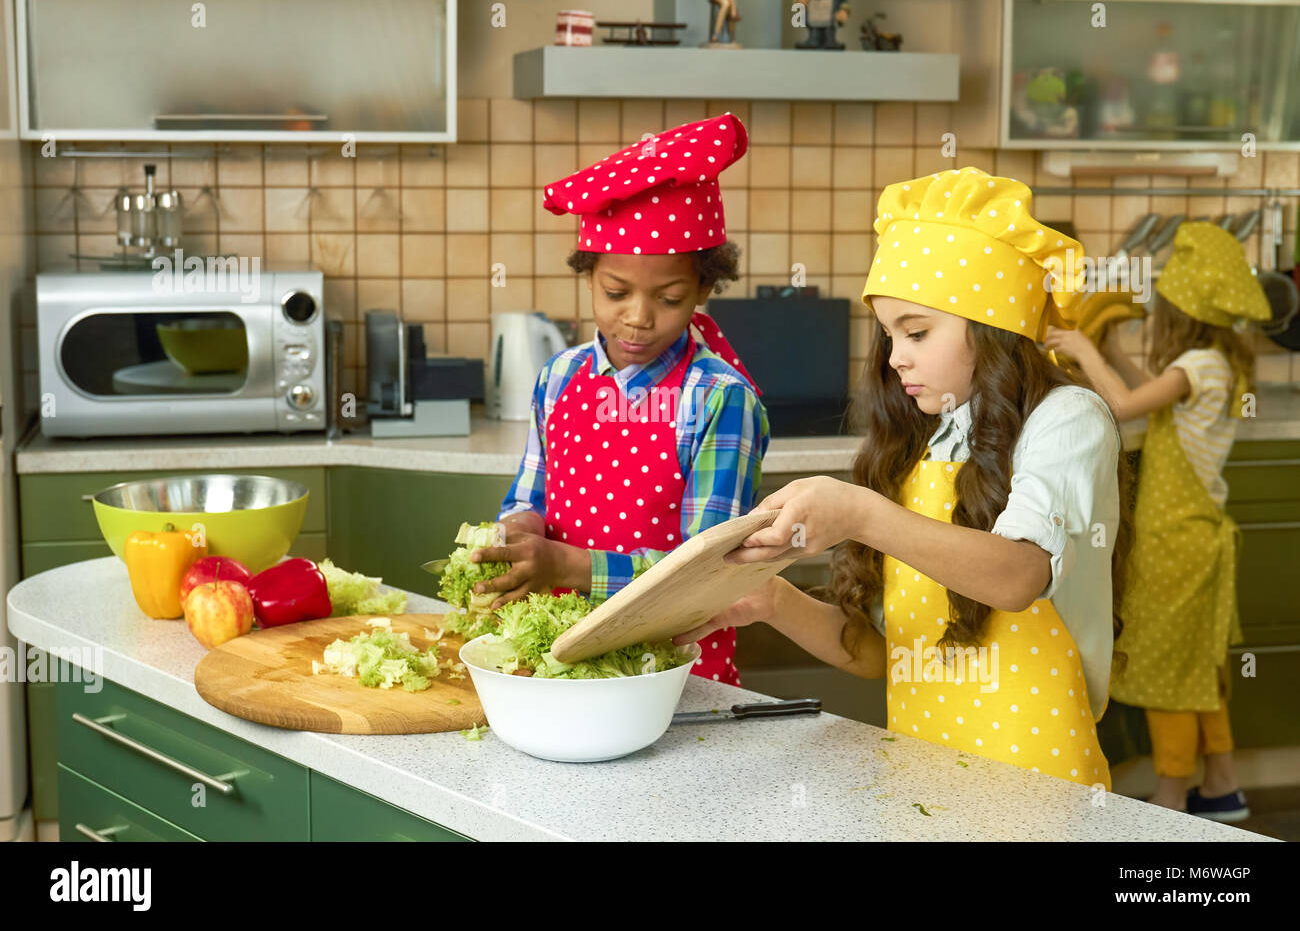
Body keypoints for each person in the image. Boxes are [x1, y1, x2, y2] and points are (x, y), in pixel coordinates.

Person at [679, 167, 1130, 787]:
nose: (896, 357)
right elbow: (877, 654)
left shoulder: (1066, 420)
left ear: (992, 327)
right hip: (923, 780)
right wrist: (773, 600)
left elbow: (1017, 576)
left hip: (1037, 782)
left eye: (916, 331)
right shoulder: (923, 442)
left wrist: (860, 512)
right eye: (889, 334)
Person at [472, 113, 770, 687]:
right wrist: (514, 535)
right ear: (589, 276)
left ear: (704, 289)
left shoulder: (718, 400)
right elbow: (530, 497)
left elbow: (705, 576)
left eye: (669, 297)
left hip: (674, 676)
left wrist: (567, 565)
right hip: (559, 661)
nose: (637, 318)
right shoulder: (558, 377)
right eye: (615, 292)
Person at [1044, 220, 1270, 821]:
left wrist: (1083, 346)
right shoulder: (1214, 363)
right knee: (1200, 668)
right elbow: (1150, 394)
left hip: (1179, 543)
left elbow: (1121, 405)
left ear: (1181, 312)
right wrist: (1112, 351)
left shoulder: (1198, 363)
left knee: (1169, 671)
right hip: (1192, 535)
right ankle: (1221, 785)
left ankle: (1171, 797)